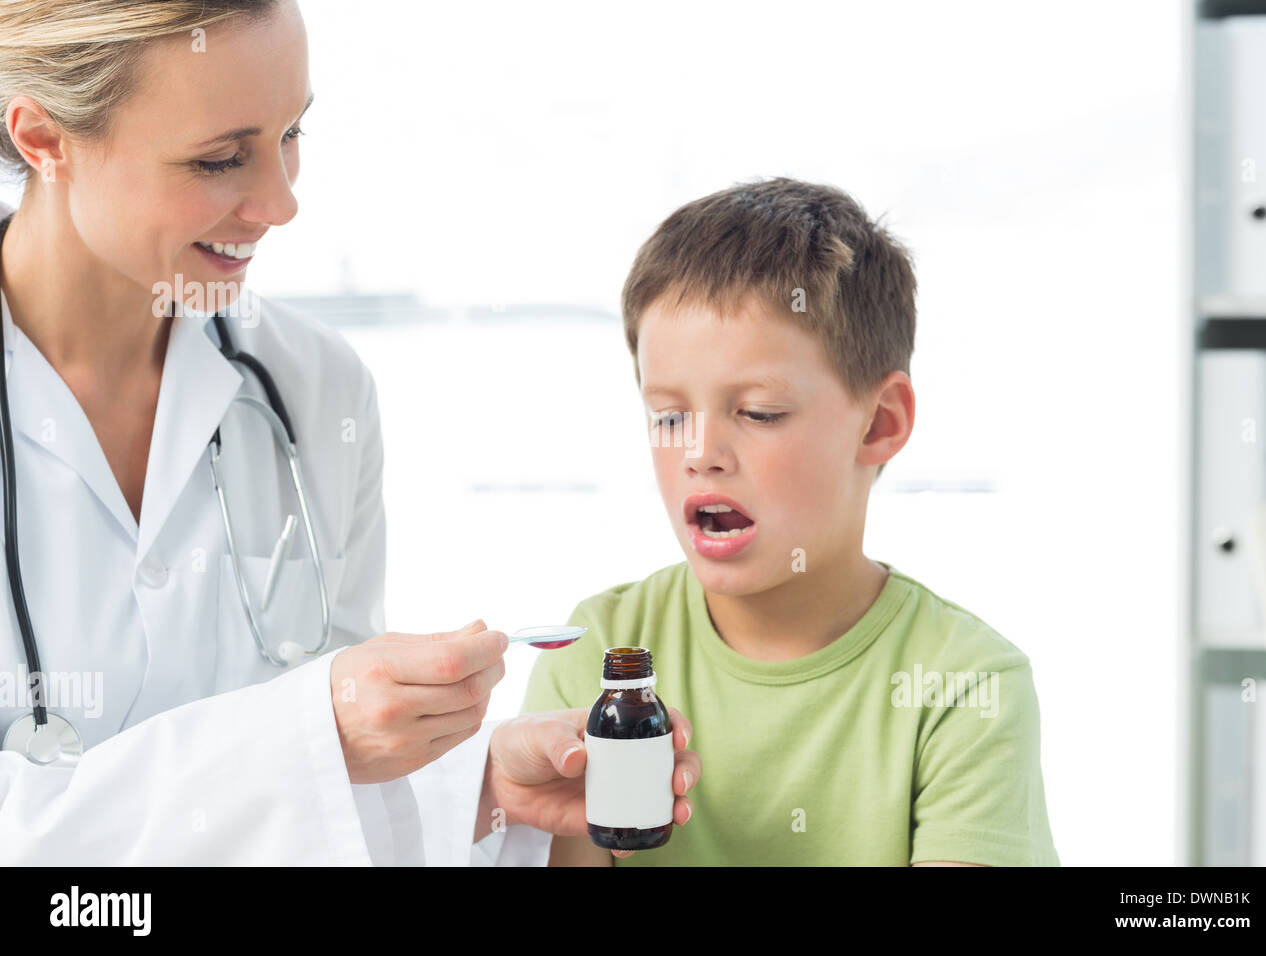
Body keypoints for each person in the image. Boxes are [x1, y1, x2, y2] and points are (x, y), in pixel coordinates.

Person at [0, 0, 701, 865]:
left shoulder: (316, 391)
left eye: (291, 133)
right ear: (43, 140)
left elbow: (324, 803)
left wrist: (476, 788)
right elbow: (292, 755)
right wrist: (306, 735)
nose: (282, 202)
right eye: (220, 159)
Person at [523, 177, 1058, 866]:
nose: (700, 455)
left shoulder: (966, 686)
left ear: (880, 424)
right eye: (669, 416)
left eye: (758, 413)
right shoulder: (597, 656)